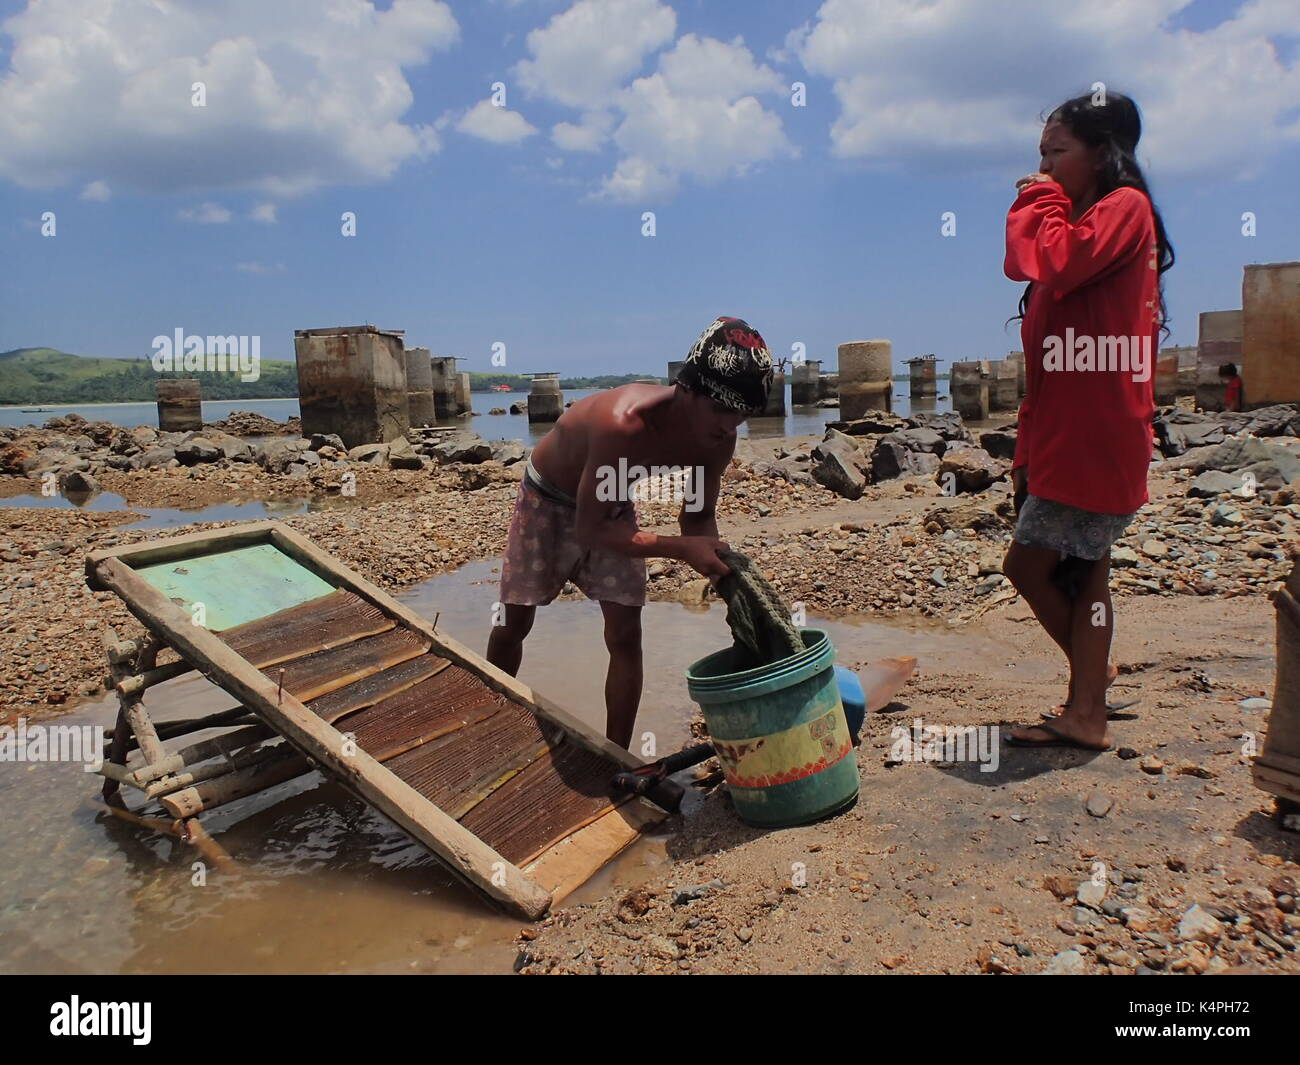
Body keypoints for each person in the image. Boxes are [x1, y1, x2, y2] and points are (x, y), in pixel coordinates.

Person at [486, 317, 774, 748]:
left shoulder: (716, 440)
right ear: (688, 390)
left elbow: (696, 518)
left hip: (610, 501)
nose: (730, 425)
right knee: (514, 621)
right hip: (547, 499)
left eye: (743, 415)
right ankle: (492, 717)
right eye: (721, 410)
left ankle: (616, 752)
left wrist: (714, 563)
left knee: (625, 635)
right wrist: (682, 551)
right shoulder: (623, 425)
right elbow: (591, 528)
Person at [1001, 91, 1175, 752]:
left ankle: (1089, 699)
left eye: (1056, 152)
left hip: (1094, 439)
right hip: (1068, 438)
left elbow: (1052, 259)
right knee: (1085, 569)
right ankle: (1088, 697)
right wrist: (1026, 449)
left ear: (1102, 154)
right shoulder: (1085, 224)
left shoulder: (1122, 211)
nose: (1042, 166)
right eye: (1040, 153)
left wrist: (1038, 200)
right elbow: (1034, 278)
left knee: (1029, 565)